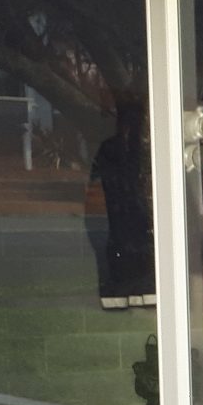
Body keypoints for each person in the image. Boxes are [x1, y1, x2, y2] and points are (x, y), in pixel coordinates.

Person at [86, 99, 154, 309]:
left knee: (137, 244)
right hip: (118, 205)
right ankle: (121, 290)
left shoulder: (137, 149)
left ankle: (139, 289)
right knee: (122, 244)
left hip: (130, 205)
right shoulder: (112, 148)